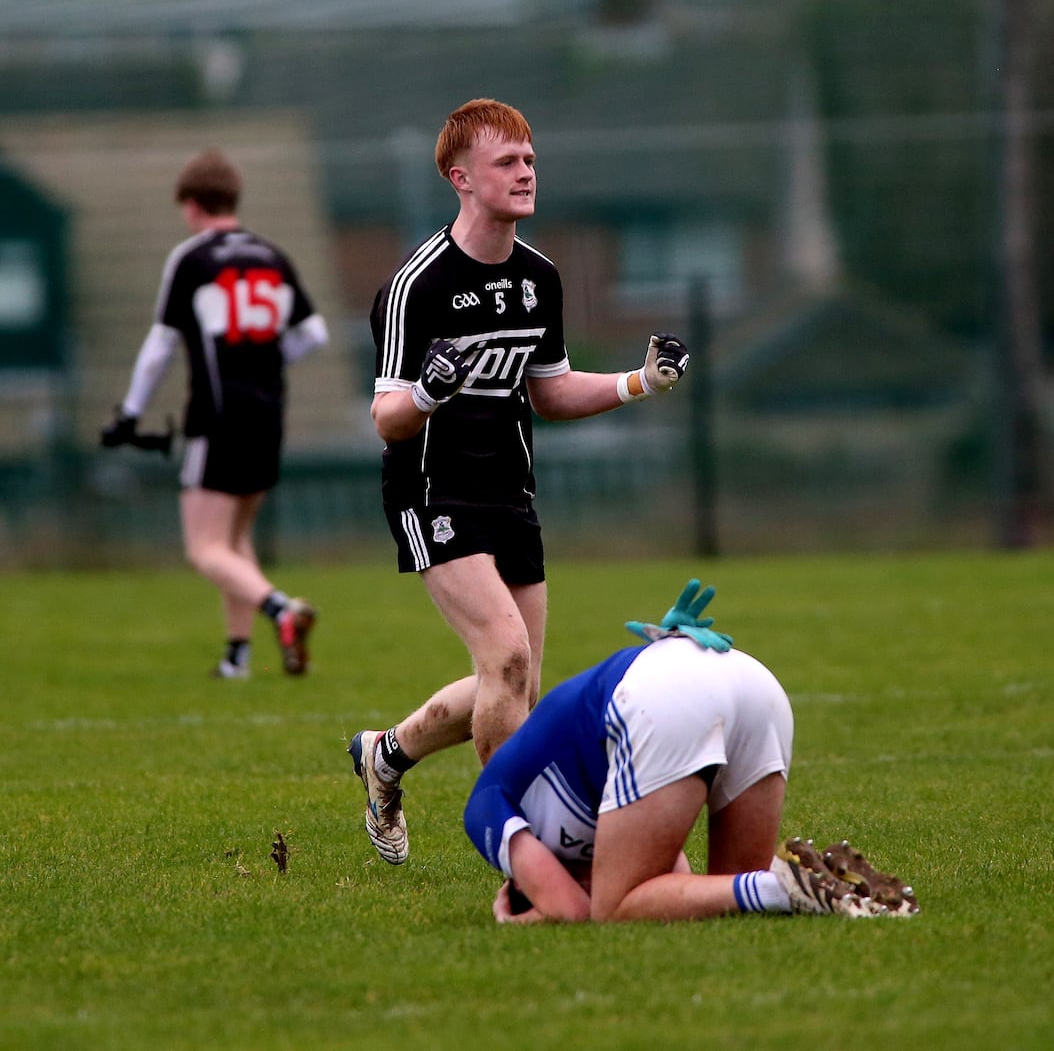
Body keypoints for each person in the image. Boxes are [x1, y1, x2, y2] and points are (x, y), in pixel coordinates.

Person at [349, 98, 690, 864]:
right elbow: (386, 418)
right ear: (460, 177)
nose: (526, 171)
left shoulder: (540, 277)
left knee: (516, 683)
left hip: (510, 492)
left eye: (530, 159)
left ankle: (387, 754)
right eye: (507, 161)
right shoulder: (416, 284)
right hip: (432, 492)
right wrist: (428, 393)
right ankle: (523, 847)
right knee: (505, 657)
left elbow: (552, 392)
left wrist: (638, 381)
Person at [464, 580, 920, 923]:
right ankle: (811, 887)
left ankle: (784, 887)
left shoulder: (488, 804)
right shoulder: (587, 817)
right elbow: (672, 878)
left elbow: (572, 909)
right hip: (749, 682)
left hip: (667, 694)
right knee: (735, 894)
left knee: (616, 906)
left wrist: (517, 917)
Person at [101, 148, 329, 679]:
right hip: (268, 412)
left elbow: (161, 345)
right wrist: (267, 360)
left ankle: (282, 610)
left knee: (204, 549)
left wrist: (130, 413)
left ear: (191, 204)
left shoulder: (192, 258)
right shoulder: (272, 255)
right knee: (234, 541)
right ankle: (237, 657)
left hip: (218, 415)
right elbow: (314, 334)